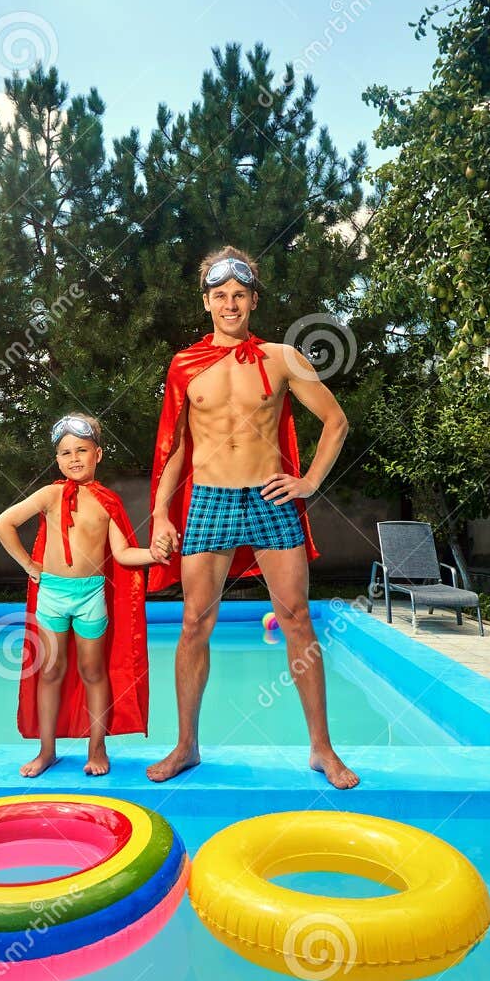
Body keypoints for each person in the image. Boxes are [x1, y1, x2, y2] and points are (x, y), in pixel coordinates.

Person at [146, 247, 359, 789]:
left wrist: (308, 482)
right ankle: (186, 746)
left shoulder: (282, 357)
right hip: (211, 500)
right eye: (220, 296)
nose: (230, 304)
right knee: (195, 624)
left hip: (270, 497)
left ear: (253, 300)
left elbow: (336, 422)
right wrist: (160, 516)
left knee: (297, 620)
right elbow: (173, 447)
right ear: (207, 302)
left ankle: (322, 750)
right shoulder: (184, 366)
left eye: (240, 295)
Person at [0, 413, 172, 778]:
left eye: (82, 450)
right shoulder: (50, 494)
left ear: (98, 454)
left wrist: (153, 554)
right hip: (52, 595)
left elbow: (121, 554)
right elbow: (2, 524)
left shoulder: (107, 502)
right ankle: (47, 751)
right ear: (57, 459)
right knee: (51, 670)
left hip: (91, 597)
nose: (73, 458)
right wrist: (29, 565)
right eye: (65, 452)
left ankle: (97, 747)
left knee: (93, 671)